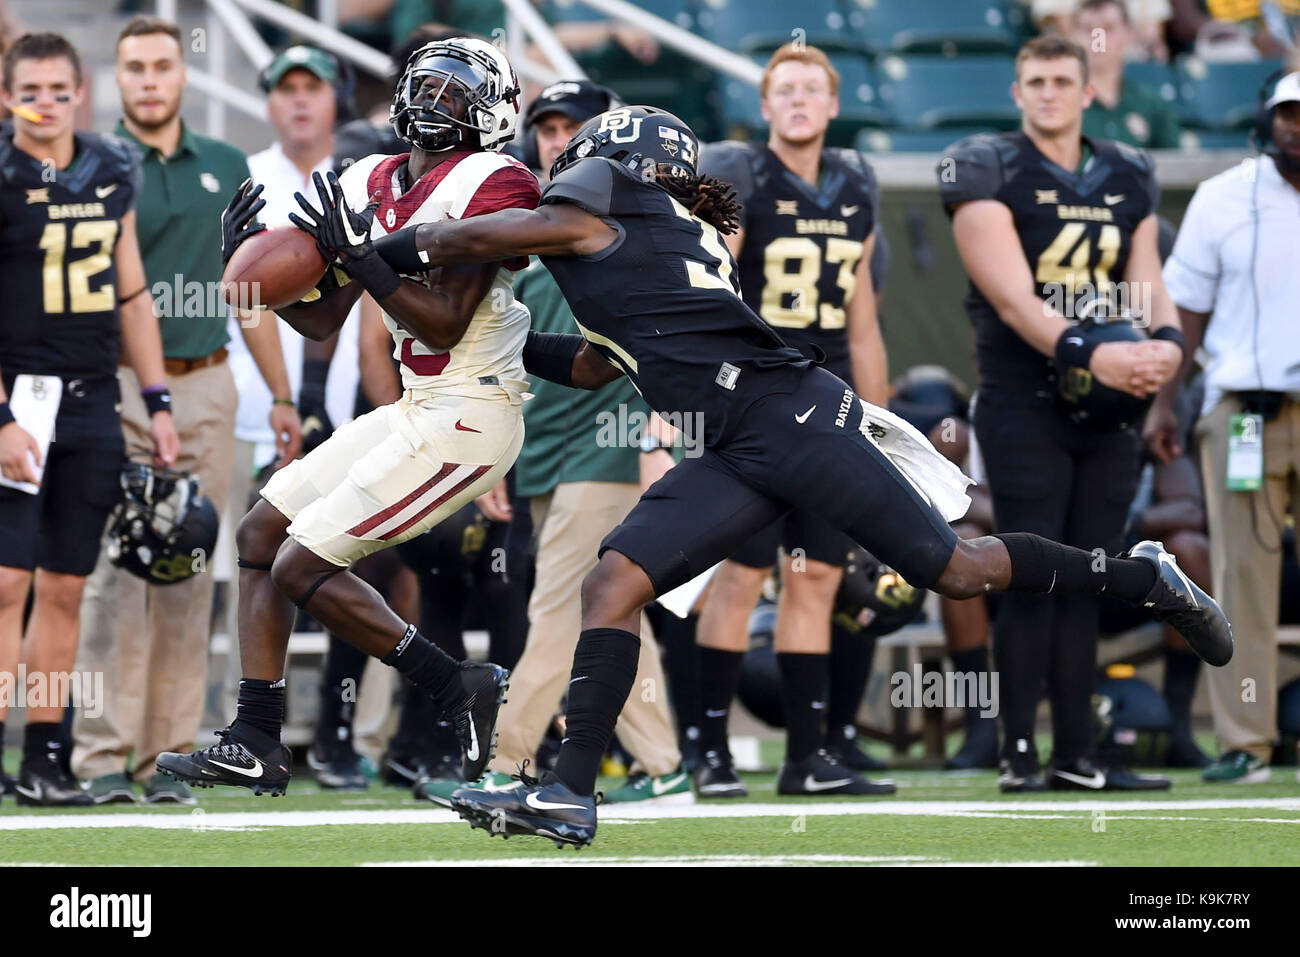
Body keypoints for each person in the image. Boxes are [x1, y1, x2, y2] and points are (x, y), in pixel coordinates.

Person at [358, 102, 1232, 846]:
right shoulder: (661, 227)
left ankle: (1141, 574)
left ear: (613, 162)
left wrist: (392, 242)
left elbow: (487, 233)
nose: (557, 167)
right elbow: (596, 364)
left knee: (955, 569)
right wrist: (506, 345)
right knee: (614, 579)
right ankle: (570, 792)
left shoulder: (605, 195)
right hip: (743, 436)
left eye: (570, 154)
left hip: (790, 416)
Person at [154, 36, 539, 796]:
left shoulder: (496, 180)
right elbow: (325, 319)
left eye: (455, 93)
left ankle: (455, 683)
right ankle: (258, 735)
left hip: (473, 410)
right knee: (260, 532)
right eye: (426, 86)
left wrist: (362, 259)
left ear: (487, 115)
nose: (434, 103)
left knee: (303, 563)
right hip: (416, 403)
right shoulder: (370, 176)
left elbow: (444, 323)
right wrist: (260, 280)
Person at [417, 78, 690, 808]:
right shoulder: (532, 221)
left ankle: (504, 762)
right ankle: (665, 766)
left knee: (556, 611)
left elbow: (653, 334)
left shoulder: (614, 222)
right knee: (609, 611)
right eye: (546, 124)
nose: (555, 137)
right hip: (548, 453)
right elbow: (522, 354)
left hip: (607, 449)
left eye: (573, 125)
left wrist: (657, 431)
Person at [940, 35, 1190, 792]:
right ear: (1017, 94)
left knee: (1095, 570)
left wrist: (1169, 345)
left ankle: (1079, 753)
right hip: (1025, 399)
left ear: (1088, 92)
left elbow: (1145, 282)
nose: (1049, 92)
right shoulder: (989, 165)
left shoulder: (1126, 169)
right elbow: (1015, 300)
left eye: (1061, 80)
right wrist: (1092, 352)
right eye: (1035, 81)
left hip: (1107, 406)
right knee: (1032, 572)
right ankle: (1020, 751)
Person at [67, 16, 300, 808]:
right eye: (134, 67)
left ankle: (164, 758)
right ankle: (100, 755)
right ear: (120, 78)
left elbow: (248, 291)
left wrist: (280, 395)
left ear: (183, 75)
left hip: (208, 386)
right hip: (119, 382)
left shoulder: (228, 164)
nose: (149, 79)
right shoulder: (90, 162)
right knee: (112, 573)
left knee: (189, 570)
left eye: (163, 65)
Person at [694, 43, 893, 798]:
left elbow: (864, 322)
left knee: (816, 579)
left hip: (832, 401)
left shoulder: (857, 184)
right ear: (766, 105)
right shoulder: (743, 175)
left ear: (834, 105)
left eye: (814, 88)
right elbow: (713, 291)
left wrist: (878, 423)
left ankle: (806, 757)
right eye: (786, 90)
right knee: (742, 576)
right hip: (755, 401)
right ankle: (710, 751)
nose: (801, 100)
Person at [0, 31, 179, 806]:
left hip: (91, 399)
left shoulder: (111, 165)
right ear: (8, 96)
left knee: (66, 586)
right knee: (7, 583)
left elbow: (131, 291)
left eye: (57, 89)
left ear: (82, 92)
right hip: (18, 398)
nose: (44, 103)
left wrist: (159, 399)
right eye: (28, 89)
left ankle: (45, 756)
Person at [1153, 71, 1300, 783]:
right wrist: (1163, 403)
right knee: (1243, 576)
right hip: (1246, 408)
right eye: (1290, 114)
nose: (1299, 127)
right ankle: (1247, 739)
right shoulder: (1221, 197)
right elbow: (1187, 310)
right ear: (1265, 121)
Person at [1074, 0, 1181, 149]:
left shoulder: (1151, 104)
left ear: (1129, 34)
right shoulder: (1061, 103)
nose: (1098, 40)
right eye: (1089, 30)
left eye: (1108, 28)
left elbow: (1175, 165)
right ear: (1073, 36)